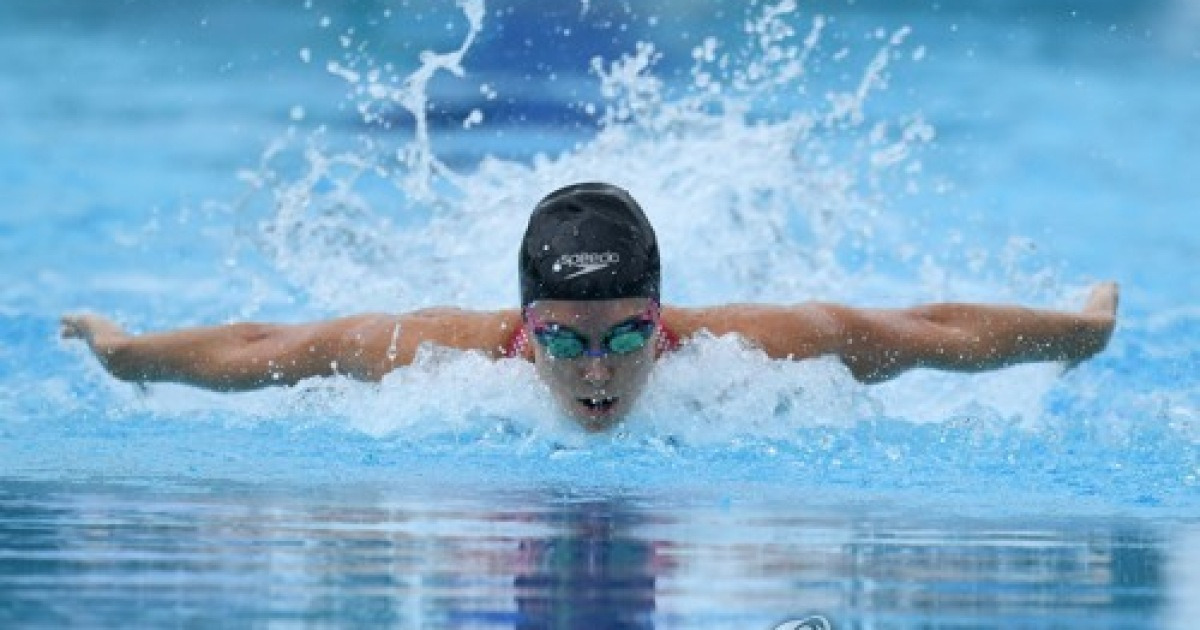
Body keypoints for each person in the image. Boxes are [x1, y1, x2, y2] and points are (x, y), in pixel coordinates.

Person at [62, 182, 1118, 432]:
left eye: (629, 337)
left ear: (664, 321)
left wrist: (1082, 330)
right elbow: (264, 348)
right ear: (522, 330)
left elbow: (928, 333)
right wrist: (127, 355)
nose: (600, 372)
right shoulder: (431, 358)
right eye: (564, 342)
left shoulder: (760, 347)